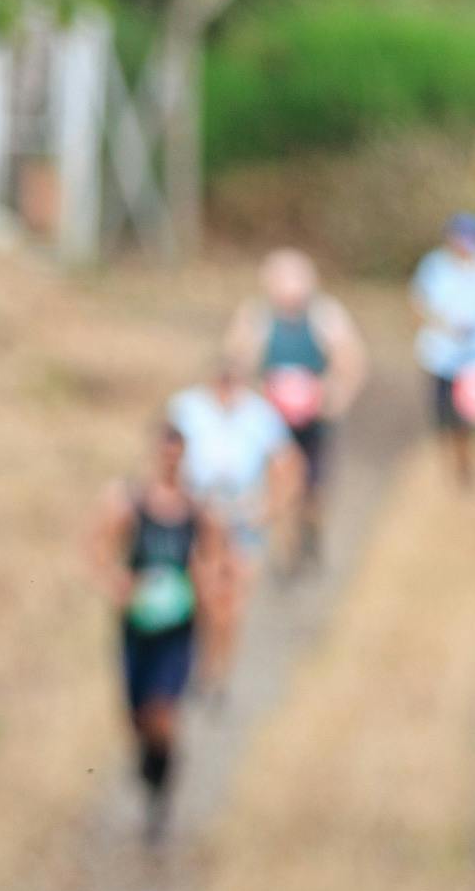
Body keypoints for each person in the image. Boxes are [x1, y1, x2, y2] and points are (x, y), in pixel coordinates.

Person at [90, 422, 229, 846]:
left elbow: (215, 564)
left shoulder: (199, 512)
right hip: (137, 627)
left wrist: (208, 595)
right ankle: (151, 768)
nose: (170, 463)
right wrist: (119, 585)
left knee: (162, 714)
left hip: (177, 628)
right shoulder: (128, 503)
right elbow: (99, 551)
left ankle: (160, 800)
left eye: (177, 456)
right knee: (136, 718)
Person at [225, 247, 367, 571]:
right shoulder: (256, 317)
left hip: (314, 419)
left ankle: (311, 535)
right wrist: (255, 396)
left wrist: (334, 396)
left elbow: (351, 360)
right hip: (273, 421)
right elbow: (236, 362)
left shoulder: (326, 316)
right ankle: (285, 551)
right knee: (279, 485)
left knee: (314, 487)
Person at [164, 357, 299, 693]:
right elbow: (166, 458)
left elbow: (288, 464)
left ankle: (221, 672)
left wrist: (270, 509)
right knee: (202, 596)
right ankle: (203, 663)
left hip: (242, 520)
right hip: (201, 516)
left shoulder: (260, 414)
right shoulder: (186, 408)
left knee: (233, 601)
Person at [409, 212, 475, 488]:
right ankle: (453, 471)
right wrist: (442, 325)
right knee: (445, 418)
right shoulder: (433, 266)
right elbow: (418, 308)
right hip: (442, 357)